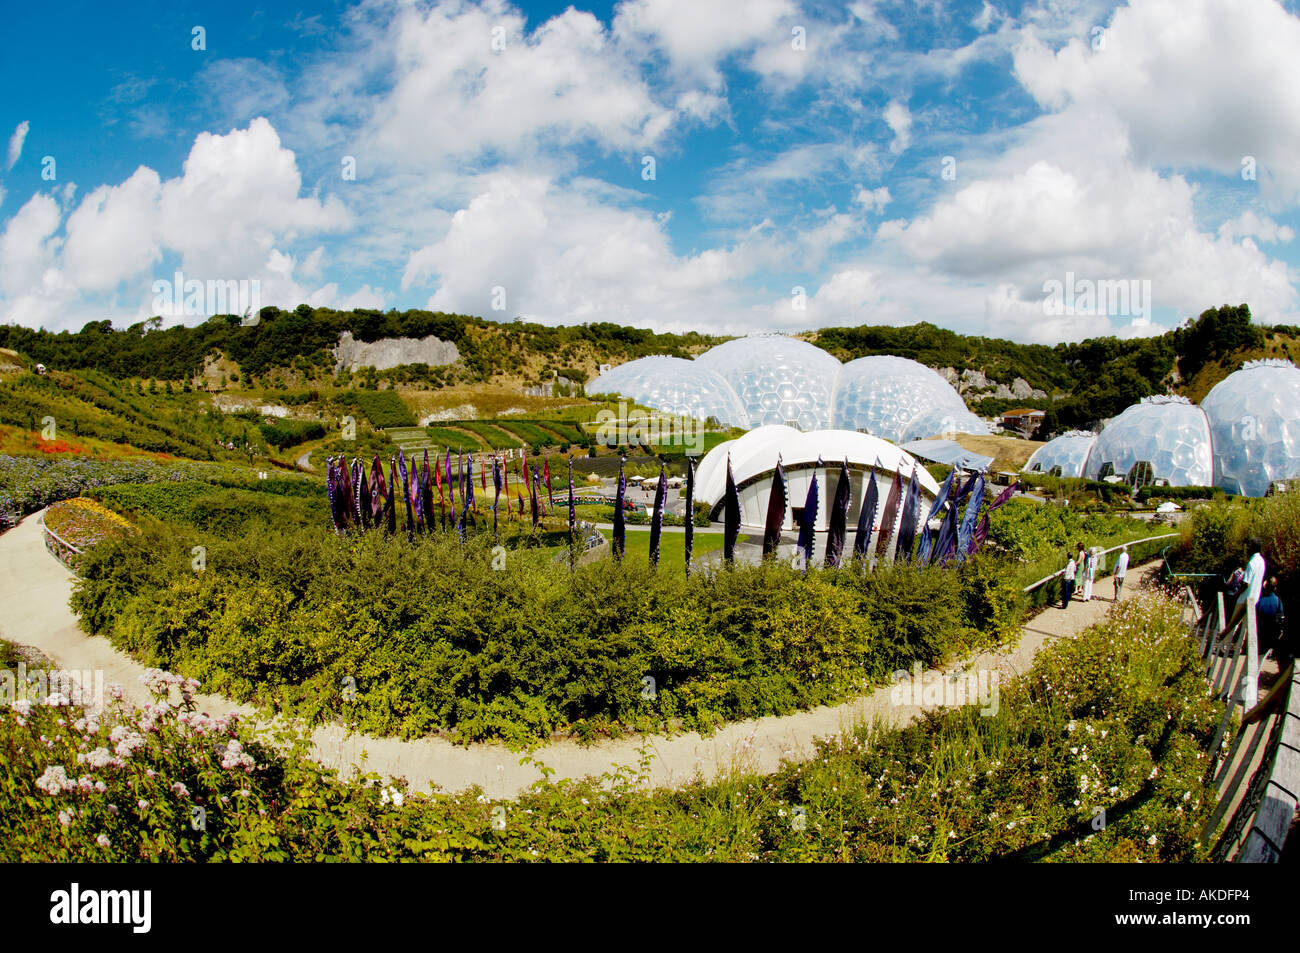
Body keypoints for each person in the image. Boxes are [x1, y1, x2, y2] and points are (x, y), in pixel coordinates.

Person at [1236, 538, 1267, 709]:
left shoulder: (1252, 562)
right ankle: (1242, 648)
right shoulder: (1262, 561)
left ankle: (1227, 646)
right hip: (1255, 598)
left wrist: (1236, 593)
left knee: (1235, 624)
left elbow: (1246, 582)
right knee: (1248, 627)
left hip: (1245, 598)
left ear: (1252, 547)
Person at [1256, 577, 1285, 661]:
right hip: (1272, 635)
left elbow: (1256, 619)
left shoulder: (1260, 601)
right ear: (1275, 588)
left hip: (1261, 635)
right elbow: (1280, 619)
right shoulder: (1278, 601)